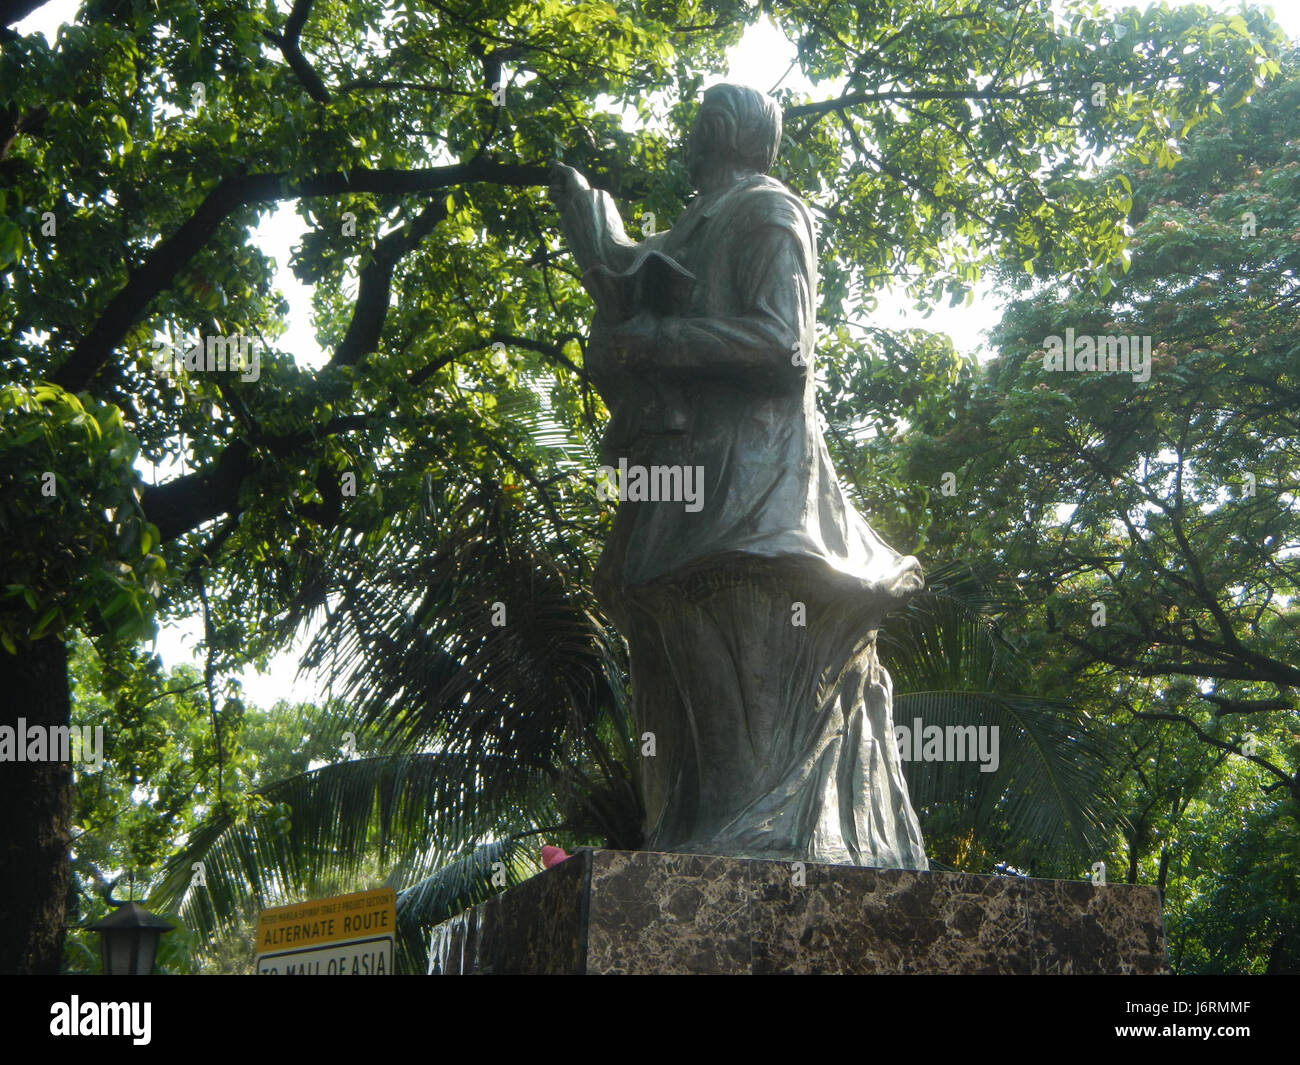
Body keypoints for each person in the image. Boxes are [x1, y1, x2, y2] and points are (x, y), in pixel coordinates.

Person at [550, 83, 927, 868]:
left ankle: (762, 839)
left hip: (752, 495)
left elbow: (785, 348)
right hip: (678, 486)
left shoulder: (768, 210)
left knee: (748, 677)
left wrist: (659, 339)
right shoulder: (693, 225)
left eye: (698, 124)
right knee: (674, 660)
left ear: (719, 130)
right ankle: (701, 843)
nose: (688, 138)